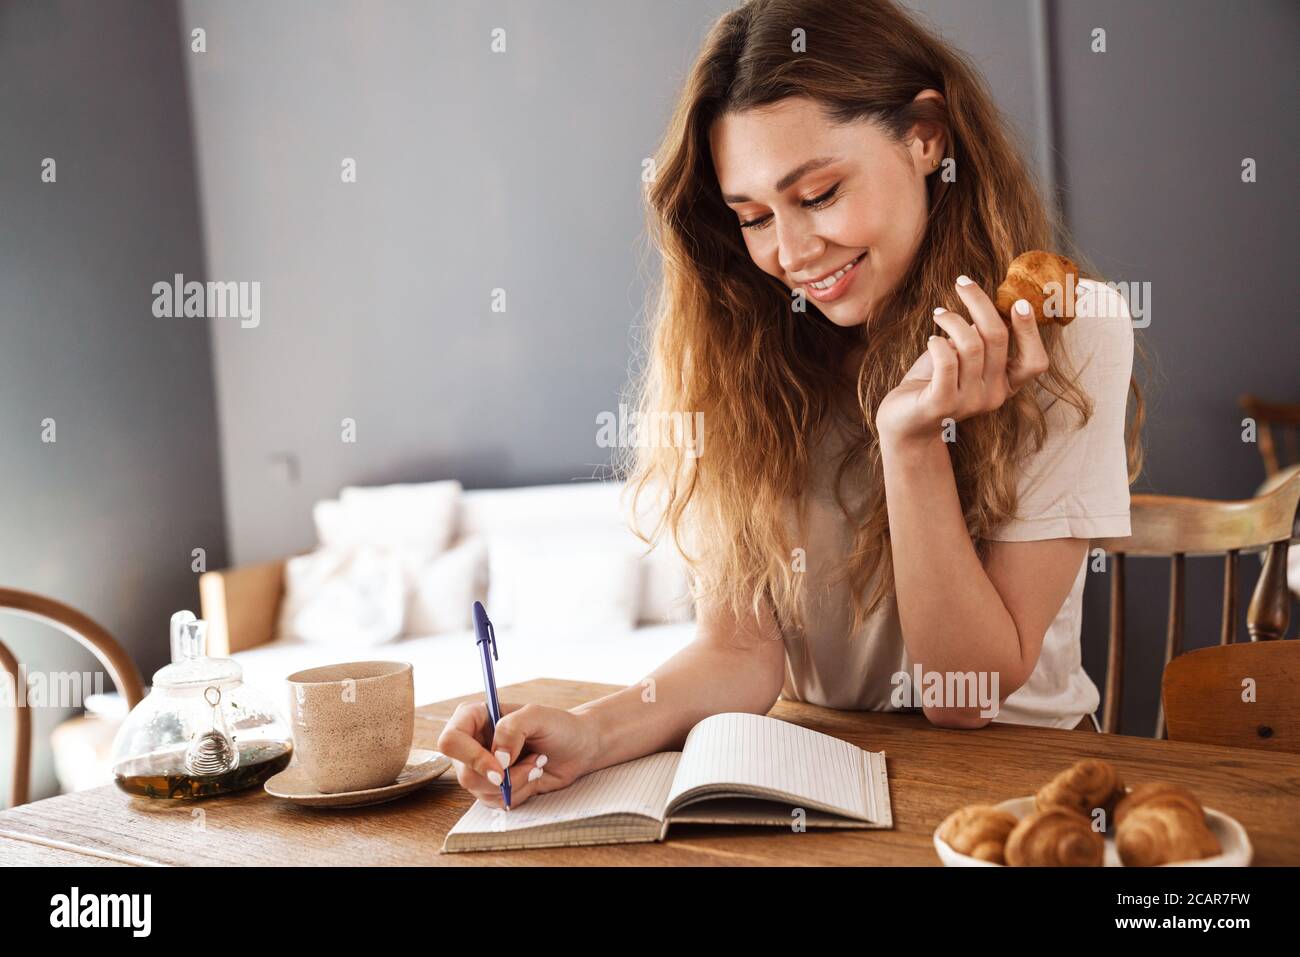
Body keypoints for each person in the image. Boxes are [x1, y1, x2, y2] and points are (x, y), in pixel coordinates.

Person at [439, 0, 1146, 810]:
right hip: (826, 776)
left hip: (1022, 785)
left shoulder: (1068, 328)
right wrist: (593, 729)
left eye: (818, 193)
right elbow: (740, 651)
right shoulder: (741, 346)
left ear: (926, 136)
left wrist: (911, 446)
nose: (791, 254)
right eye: (752, 217)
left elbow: (965, 693)